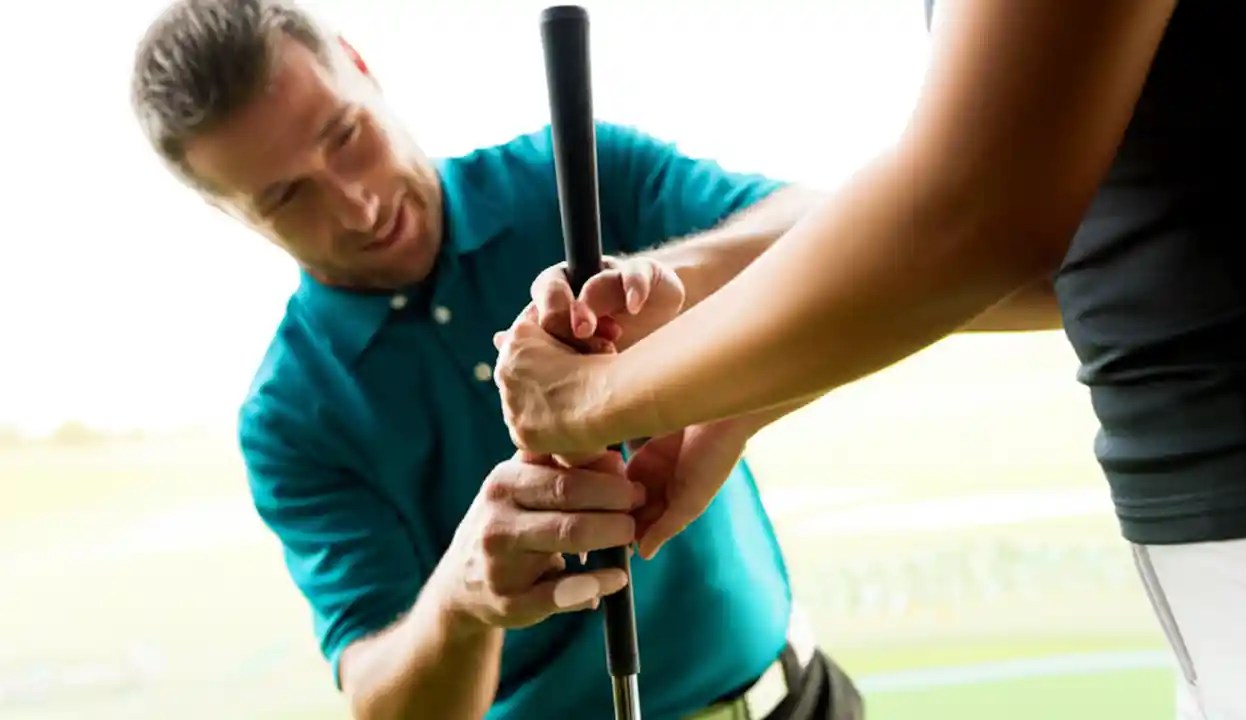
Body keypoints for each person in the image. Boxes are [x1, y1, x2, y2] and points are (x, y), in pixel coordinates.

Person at [493, 1, 1246, 718]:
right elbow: (1080, 257)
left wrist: (593, 401)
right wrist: (704, 329)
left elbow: (976, 210)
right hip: (1223, 560)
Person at [128, 1, 873, 719]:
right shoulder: (289, 416)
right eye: (288, 197)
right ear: (227, 210)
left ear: (358, 64)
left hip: (799, 702)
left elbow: (845, 235)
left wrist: (661, 282)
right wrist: (463, 599)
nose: (357, 206)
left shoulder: (574, 174)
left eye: (346, 135)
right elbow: (386, 708)